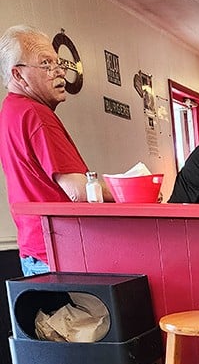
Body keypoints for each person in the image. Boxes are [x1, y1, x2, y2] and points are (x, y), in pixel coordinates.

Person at [0, 24, 114, 276]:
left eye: (58, 63)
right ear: (18, 74)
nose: (59, 71)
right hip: (58, 253)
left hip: (35, 251)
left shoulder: (10, 111)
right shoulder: (36, 114)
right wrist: (127, 191)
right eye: (46, 64)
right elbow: (79, 190)